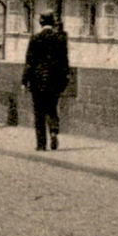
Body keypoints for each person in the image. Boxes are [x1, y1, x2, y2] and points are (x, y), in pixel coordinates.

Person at [22, 11, 69, 151]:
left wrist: (24, 81)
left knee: (39, 112)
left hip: (38, 81)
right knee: (52, 108)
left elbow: (29, 61)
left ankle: (41, 144)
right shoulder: (59, 39)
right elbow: (64, 62)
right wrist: (64, 80)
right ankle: (54, 131)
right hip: (55, 80)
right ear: (53, 23)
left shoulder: (35, 38)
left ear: (40, 23)